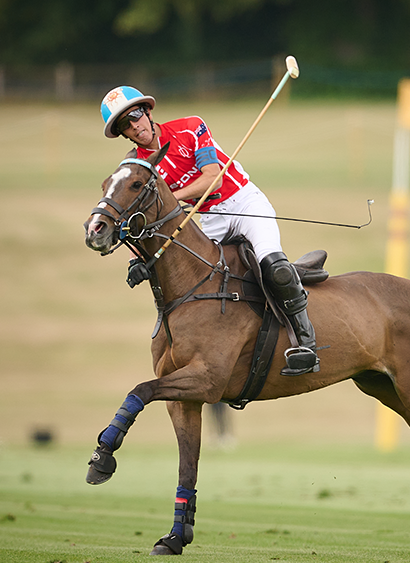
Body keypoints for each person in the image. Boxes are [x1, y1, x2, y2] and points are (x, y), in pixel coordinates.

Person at [100, 85, 319, 376]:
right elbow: (142, 218)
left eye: (136, 115)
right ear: (123, 133)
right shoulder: (139, 167)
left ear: (148, 111)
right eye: (125, 124)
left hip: (243, 202)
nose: (135, 125)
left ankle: (306, 343)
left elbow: (213, 179)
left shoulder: (191, 127)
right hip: (209, 219)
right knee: (191, 280)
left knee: (273, 265)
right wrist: (139, 260)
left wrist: (172, 198)